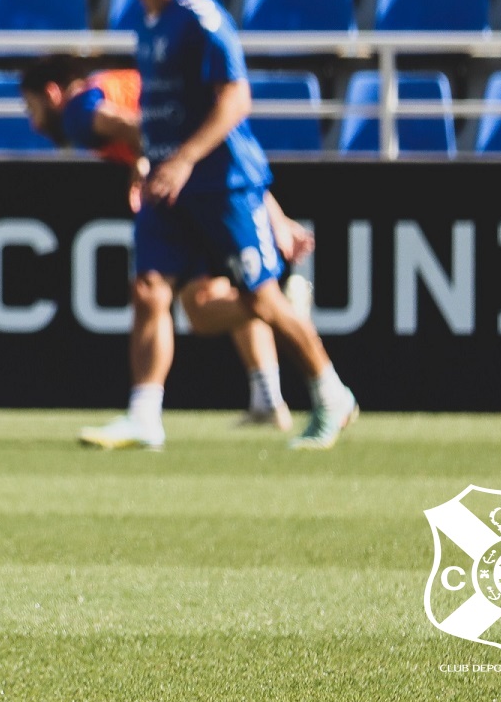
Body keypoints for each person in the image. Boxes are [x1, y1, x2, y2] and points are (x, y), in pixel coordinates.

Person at [68, 0, 358, 452]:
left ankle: (331, 393)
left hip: (219, 184)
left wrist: (184, 159)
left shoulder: (200, 18)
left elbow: (236, 99)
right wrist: (152, 161)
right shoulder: (148, 22)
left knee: (263, 303)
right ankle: (144, 415)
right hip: (168, 187)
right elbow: (166, 110)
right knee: (151, 290)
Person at [19, 58, 316, 429]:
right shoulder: (117, 83)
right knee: (217, 299)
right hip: (217, 180)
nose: (33, 122)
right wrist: (276, 217)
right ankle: (268, 397)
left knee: (174, 298)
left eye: (32, 107)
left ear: (52, 92)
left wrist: (149, 162)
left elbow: (144, 131)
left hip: (192, 193)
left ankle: (145, 413)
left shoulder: (79, 110)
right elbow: (219, 149)